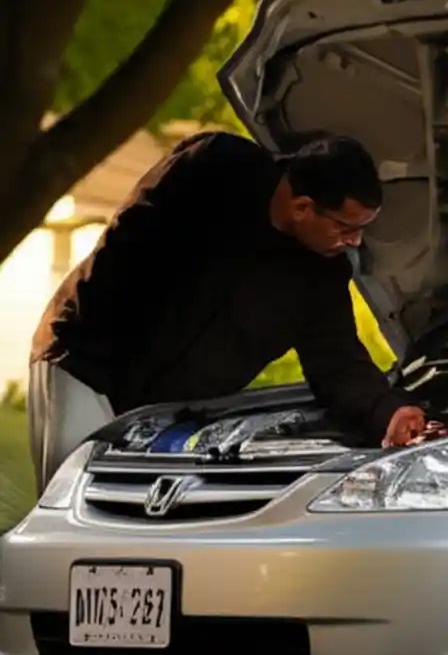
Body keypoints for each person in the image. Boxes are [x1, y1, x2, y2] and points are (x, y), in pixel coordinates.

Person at [28, 130, 427, 493]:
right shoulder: (214, 168)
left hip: (174, 413)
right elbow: (124, 250)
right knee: (73, 499)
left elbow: (337, 362)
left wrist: (389, 411)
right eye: (346, 227)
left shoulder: (320, 275)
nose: (355, 242)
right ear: (303, 207)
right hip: (84, 364)